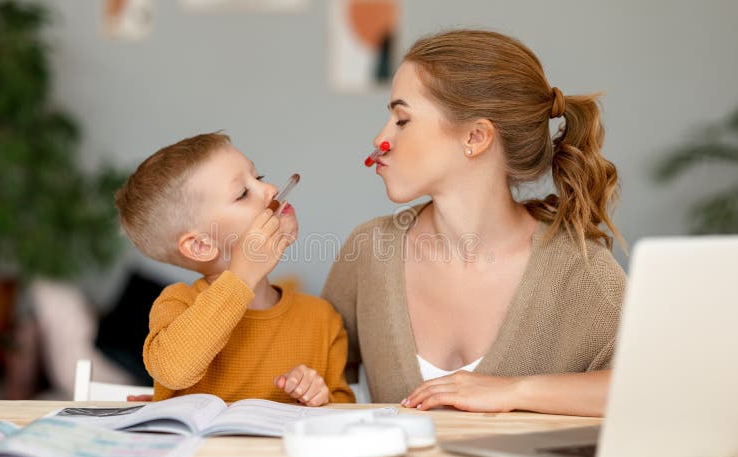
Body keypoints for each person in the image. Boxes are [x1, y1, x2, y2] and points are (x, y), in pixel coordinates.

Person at [321, 29, 625, 416]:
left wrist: (515, 392)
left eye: (401, 119)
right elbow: (317, 370)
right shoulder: (369, 250)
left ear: (476, 136)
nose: (381, 137)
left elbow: (655, 390)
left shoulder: (581, 269)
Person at [115, 132, 355, 406]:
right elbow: (173, 371)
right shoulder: (177, 303)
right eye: (242, 193)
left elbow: (344, 410)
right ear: (201, 246)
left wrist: (319, 396)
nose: (271, 190)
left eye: (259, 177)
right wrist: (241, 277)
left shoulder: (321, 319)